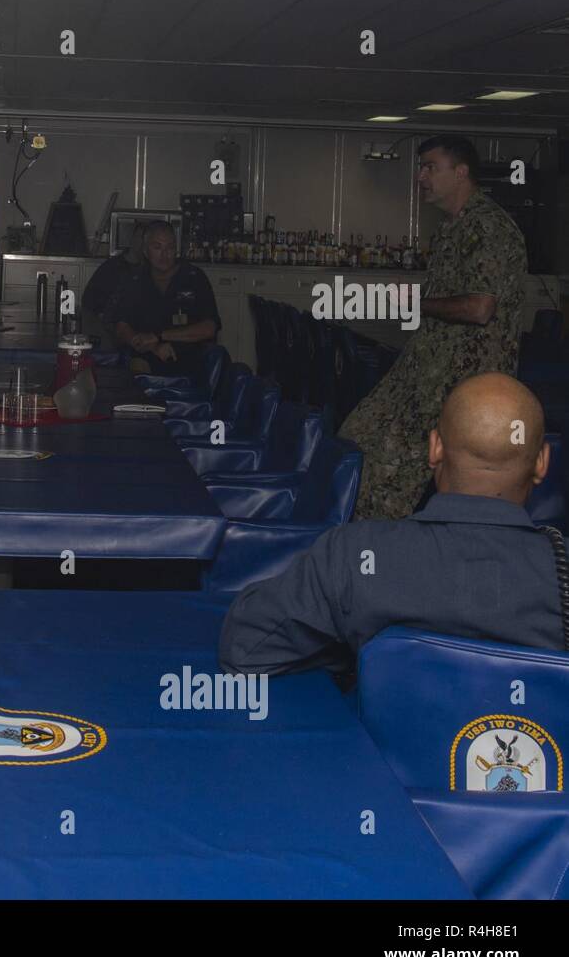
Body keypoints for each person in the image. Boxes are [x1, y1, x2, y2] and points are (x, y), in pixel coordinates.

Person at [219, 373, 561, 678]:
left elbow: (244, 647)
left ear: (435, 448)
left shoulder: (355, 556)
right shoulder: (559, 575)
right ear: (543, 462)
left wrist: (346, 647)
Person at [340, 134, 529, 520]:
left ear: (461, 173)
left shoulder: (488, 227)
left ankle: (376, 552)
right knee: (355, 436)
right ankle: (359, 540)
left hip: (465, 382)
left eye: (430, 167)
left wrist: (414, 302)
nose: (421, 176)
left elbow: (479, 308)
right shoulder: (449, 229)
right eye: (420, 167)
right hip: (428, 371)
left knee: (388, 465)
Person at [102, 221, 218, 375]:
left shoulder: (194, 278)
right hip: (145, 360)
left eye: (170, 247)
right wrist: (153, 346)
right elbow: (122, 327)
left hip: (188, 363)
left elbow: (210, 328)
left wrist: (159, 336)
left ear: (176, 250)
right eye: (157, 247)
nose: (164, 254)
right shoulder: (135, 280)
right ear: (145, 250)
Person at [82, 226, 147, 340]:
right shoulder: (111, 267)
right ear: (132, 239)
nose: (142, 243)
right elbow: (88, 299)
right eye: (140, 238)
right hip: (110, 332)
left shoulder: (149, 271)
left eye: (146, 240)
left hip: (138, 334)